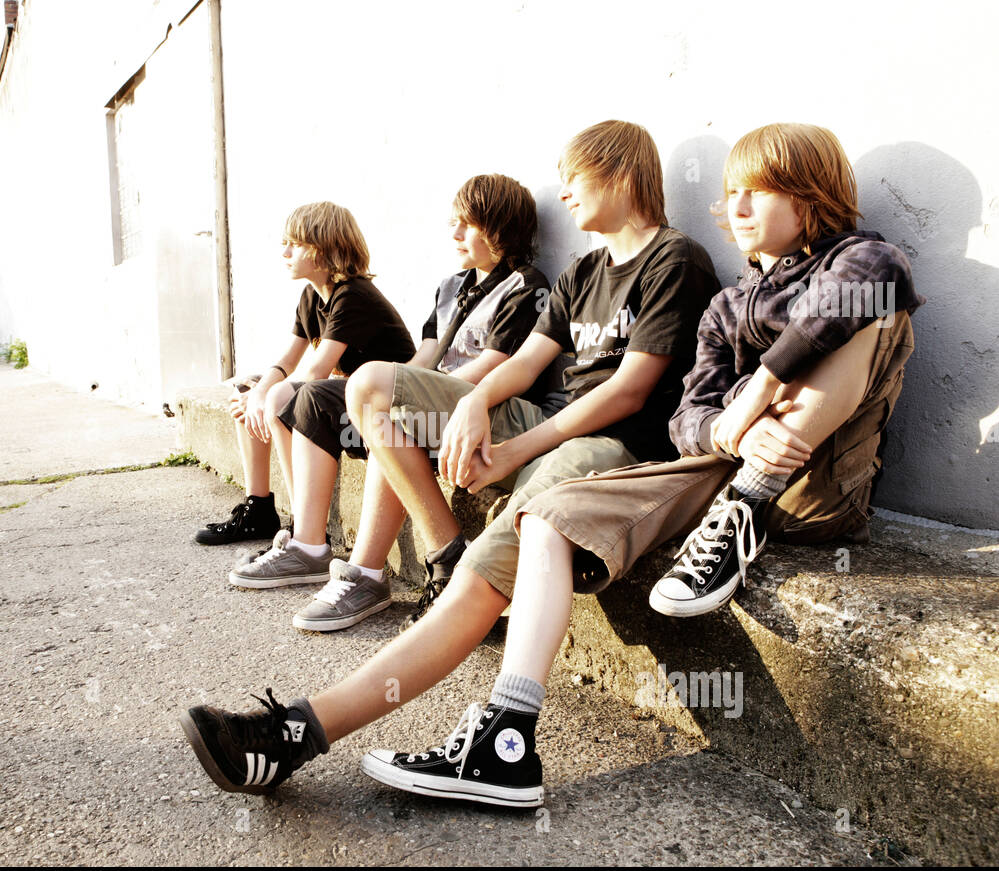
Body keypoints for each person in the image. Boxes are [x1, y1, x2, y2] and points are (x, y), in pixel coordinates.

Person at [357, 121, 923, 807]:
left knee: (873, 312)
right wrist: (733, 428)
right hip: (719, 469)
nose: (735, 209)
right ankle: (507, 737)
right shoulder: (727, 305)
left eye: (758, 192)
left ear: (811, 195)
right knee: (546, 514)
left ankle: (752, 498)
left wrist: (765, 388)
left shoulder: (852, 260)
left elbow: (881, 278)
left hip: (813, 480)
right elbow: (687, 419)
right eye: (729, 193)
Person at [178, 119, 722, 797]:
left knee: (489, 570)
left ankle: (300, 734)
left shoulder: (676, 259)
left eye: (573, 176)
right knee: (374, 384)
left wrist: (516, 449)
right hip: (547, 422)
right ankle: (445, 549)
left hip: (610, 449)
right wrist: (472, 403)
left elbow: (630, 390)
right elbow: (525, 364)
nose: (566, 194)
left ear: (618, 173)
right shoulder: (583, 271)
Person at [232, 174, 557, 633]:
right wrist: (410, 385)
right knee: (312, 398)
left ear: (499, 227)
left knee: (392, 413)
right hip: (433, 393)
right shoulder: (451, 285)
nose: (455, 234)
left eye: (467, 224)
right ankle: (308, 544)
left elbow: (494, 368)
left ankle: (365, 572)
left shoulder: (527, 285)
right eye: (454, 223)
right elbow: (423, 358)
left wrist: (414, 393)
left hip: (482, 409)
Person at [194, 201, 414, 557]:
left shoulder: (353, 295)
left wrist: (268, 398)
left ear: (323, 249)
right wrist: (257, 393)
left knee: (281, 398)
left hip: (382, 415)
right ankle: (260, 507)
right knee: (251, 387)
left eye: (294, 244)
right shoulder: (312, 295)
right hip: (341, 406)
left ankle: (304, 528)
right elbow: (289, 359)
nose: (285, 252)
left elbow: (315, 373)